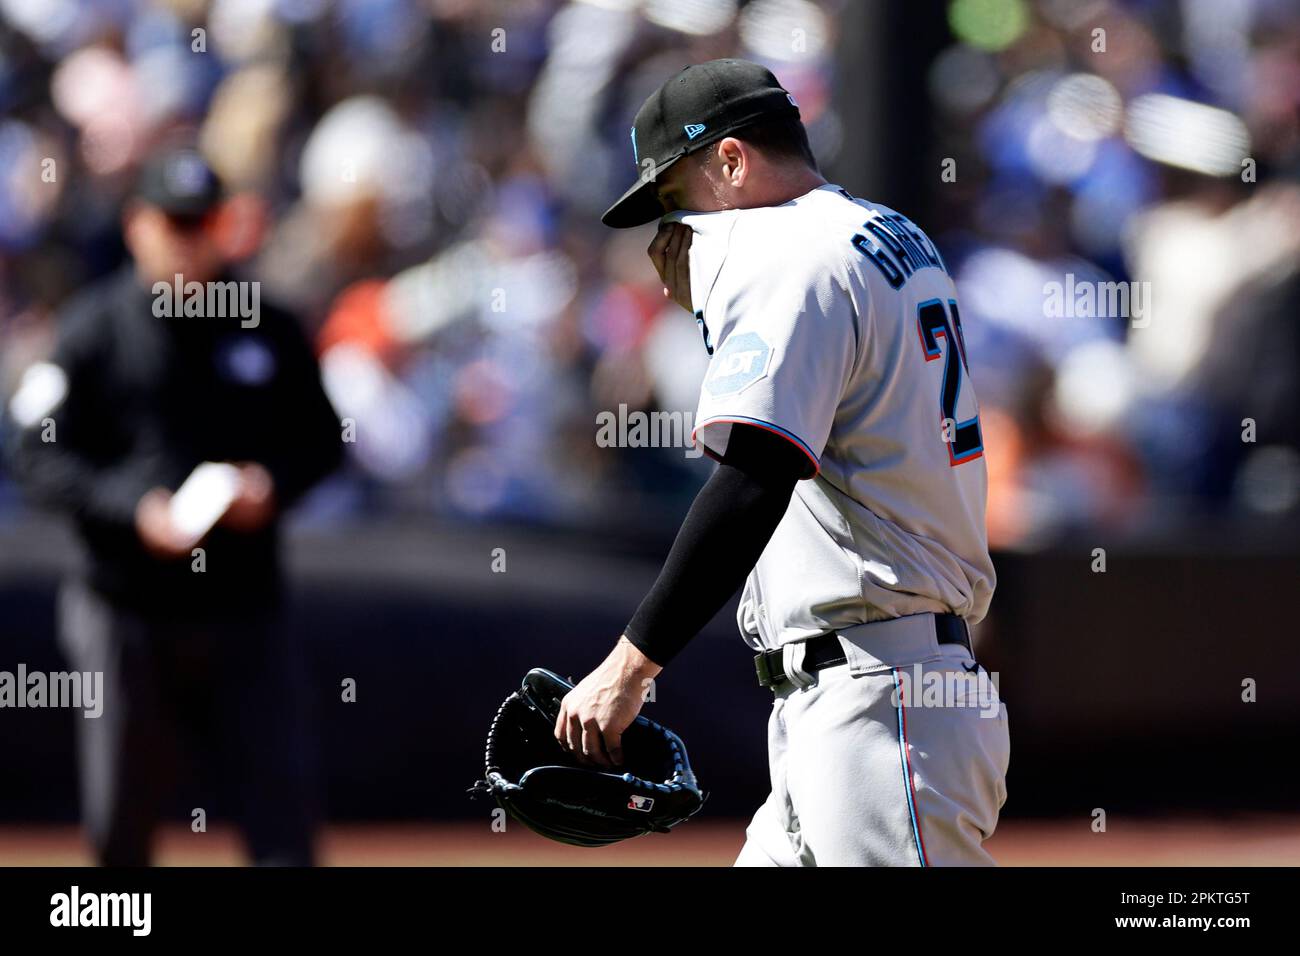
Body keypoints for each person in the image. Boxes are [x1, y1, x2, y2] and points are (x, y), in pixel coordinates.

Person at [556, 60, 1009, 866]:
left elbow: (756, 474)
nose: (671, 234)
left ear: (731, 163)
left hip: (879, 702)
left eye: (674, 199)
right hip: (863, 690)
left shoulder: (785, 253)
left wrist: (629, 668)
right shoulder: (884, 232)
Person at [4, 147, 343, 866]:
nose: (187, 239)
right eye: (173, 222)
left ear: (225, 227)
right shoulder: (92, 330)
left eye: (202, 222)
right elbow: (38, 452)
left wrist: (271, 485)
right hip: (126, 607)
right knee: (121, 818)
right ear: (138, 227)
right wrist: (133, 510)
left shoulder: (267, 326)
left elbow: (324, 441)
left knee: (280, 811)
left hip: (244, 604)